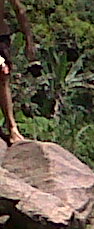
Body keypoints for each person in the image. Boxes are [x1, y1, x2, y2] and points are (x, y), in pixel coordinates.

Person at [0, 0, 39, 144]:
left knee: (3, 76)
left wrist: (29, 41)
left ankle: (12, 127)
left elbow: (20, 10)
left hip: (1, 37)